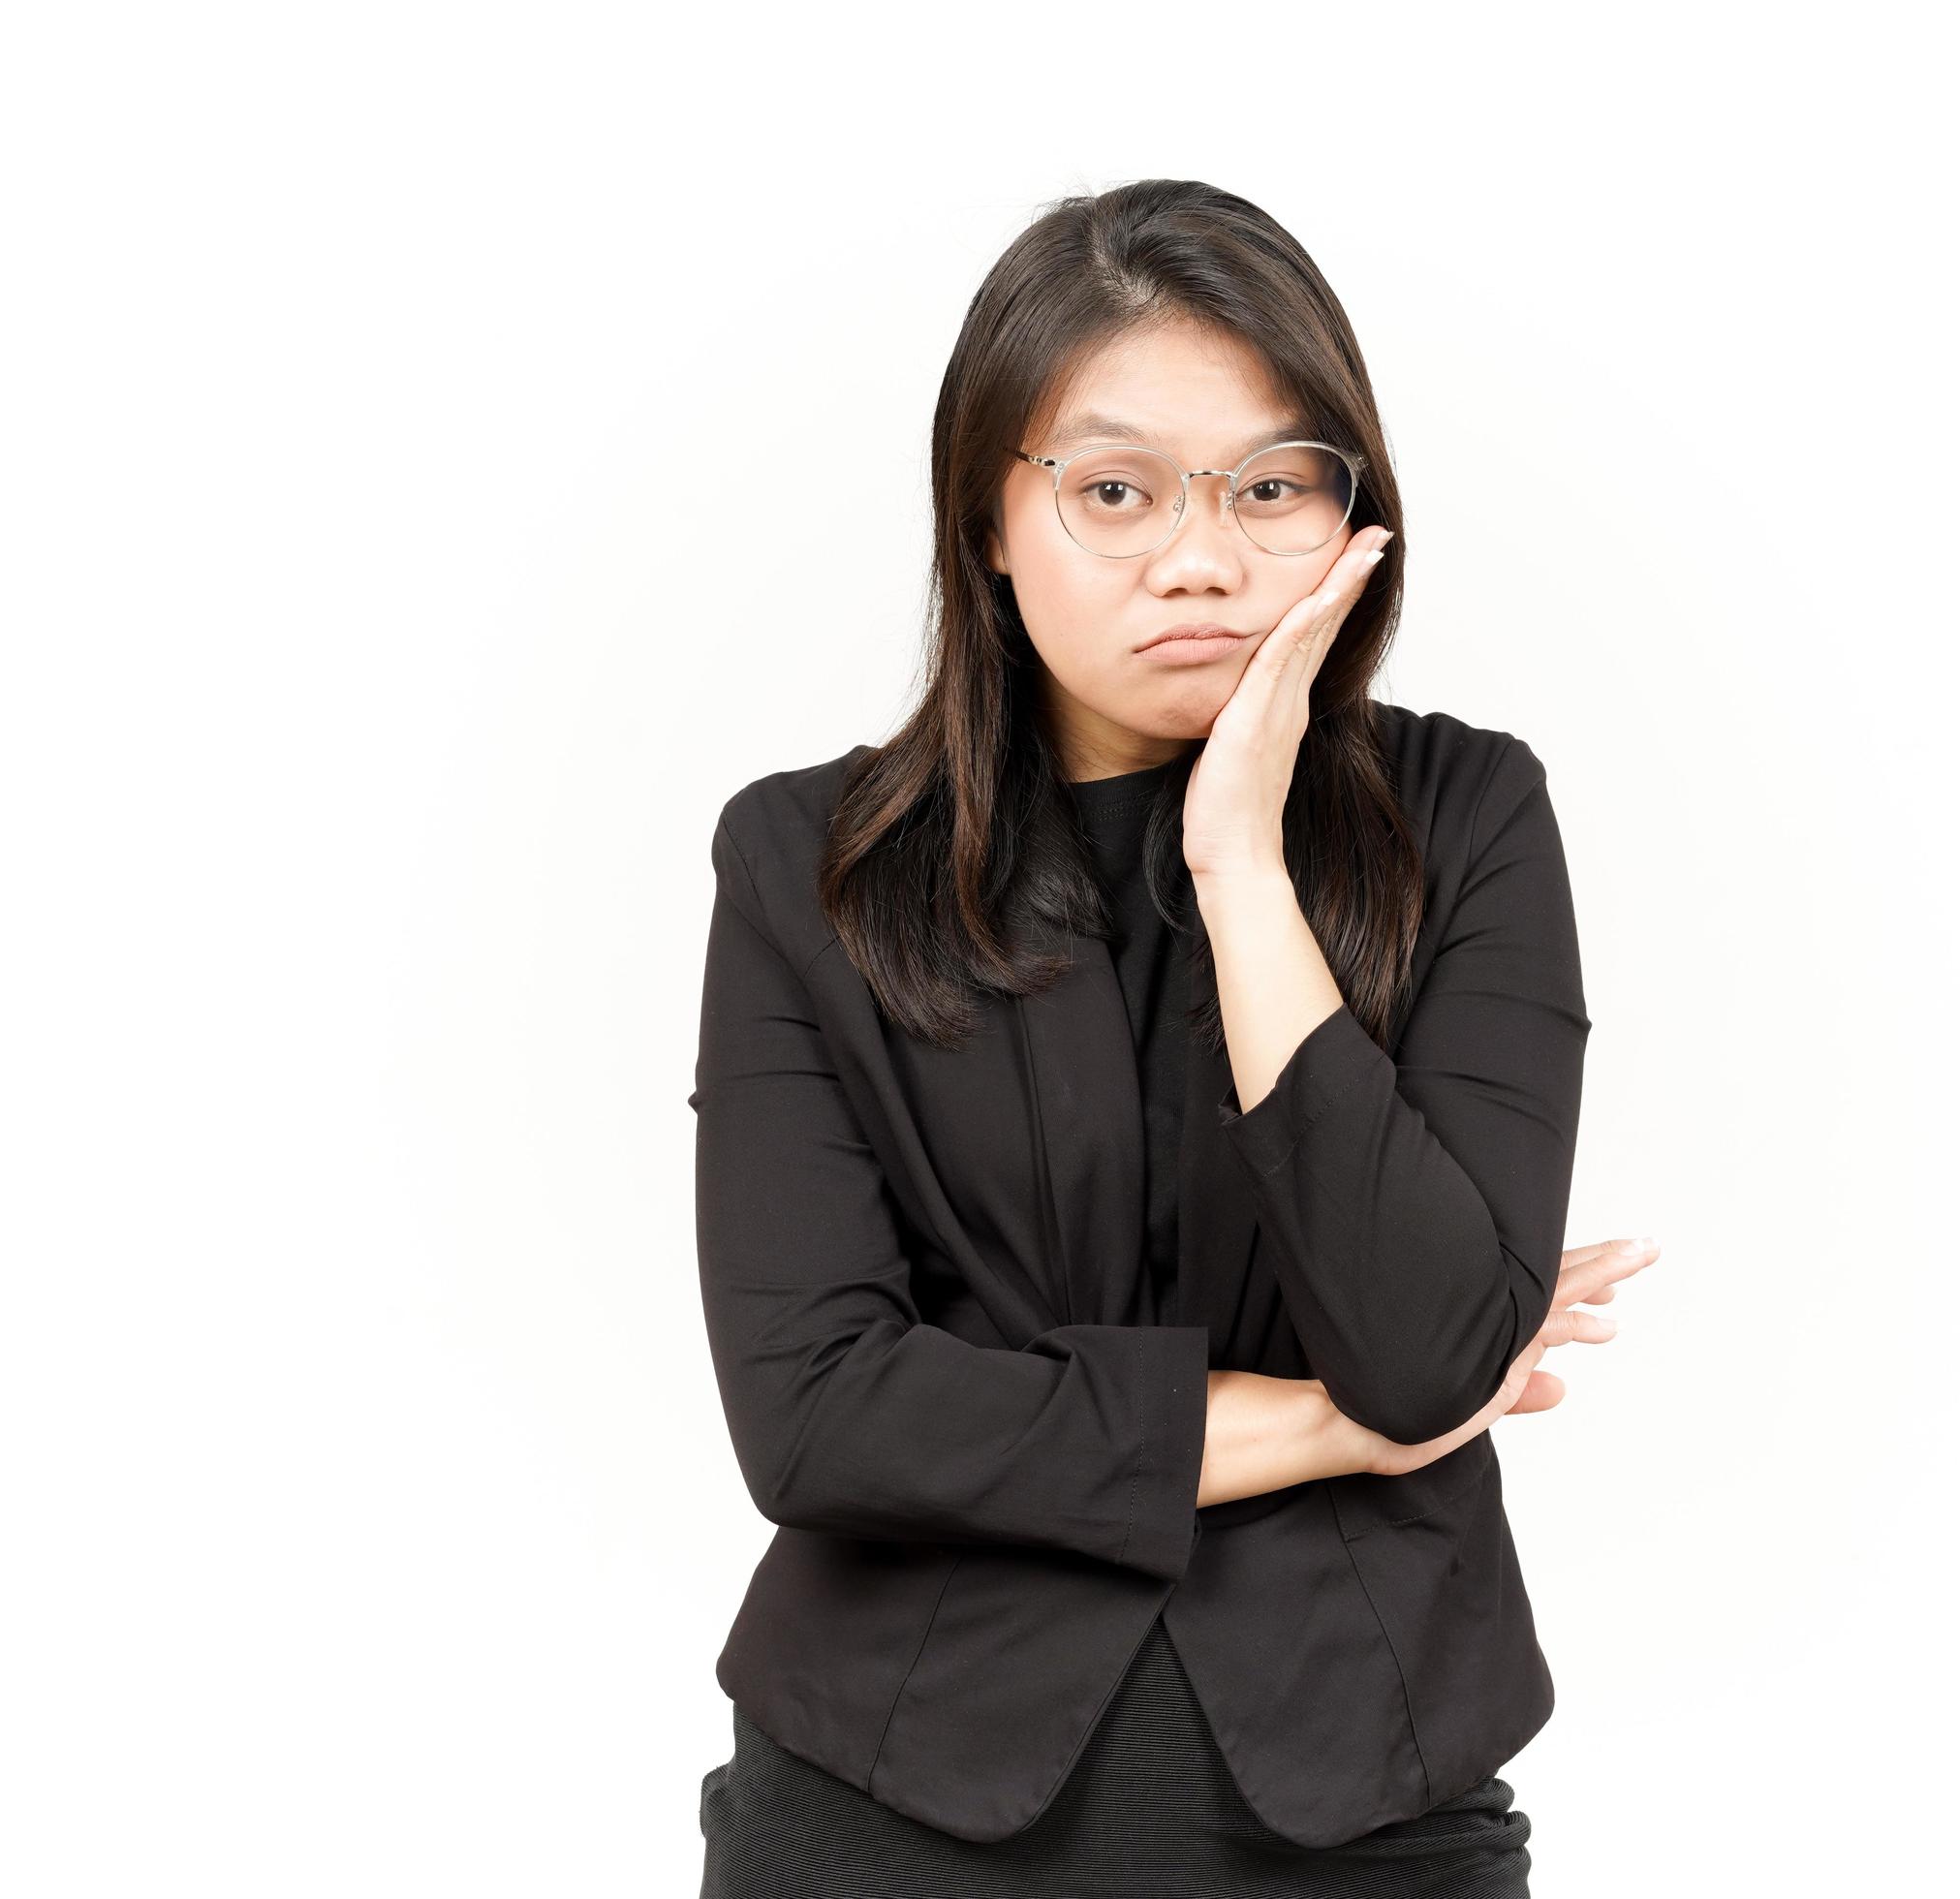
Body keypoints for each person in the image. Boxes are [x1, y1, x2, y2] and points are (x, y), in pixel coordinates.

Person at [687, 178, 1656, 1897]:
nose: (1201, 558)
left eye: (1272, 486)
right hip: (887, 1804)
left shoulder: (1472, 818)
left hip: (1364, 1805)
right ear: (988, 521)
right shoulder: (807, 866)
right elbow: (820, 1422)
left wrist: (1240, 862)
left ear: (1357, 516)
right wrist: (1329, 1427)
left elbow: (1434, 1353)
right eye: (1114, 492)